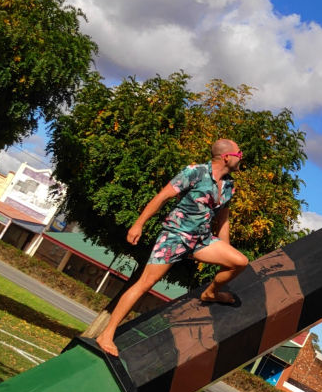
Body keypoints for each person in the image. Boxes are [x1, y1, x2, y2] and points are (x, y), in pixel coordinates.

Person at [94, 138, 250, 357]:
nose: (241, 157)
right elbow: (162, 197)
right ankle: (106, 334)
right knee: (145, 283)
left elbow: (223, 220)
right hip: (175, 236)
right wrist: (138, 224)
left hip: (202, 240)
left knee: (240, 262)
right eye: (239, 154)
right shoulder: (194, 172)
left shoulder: (229, 185)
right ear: (226, 157)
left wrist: (226, 252)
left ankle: (210, 293)